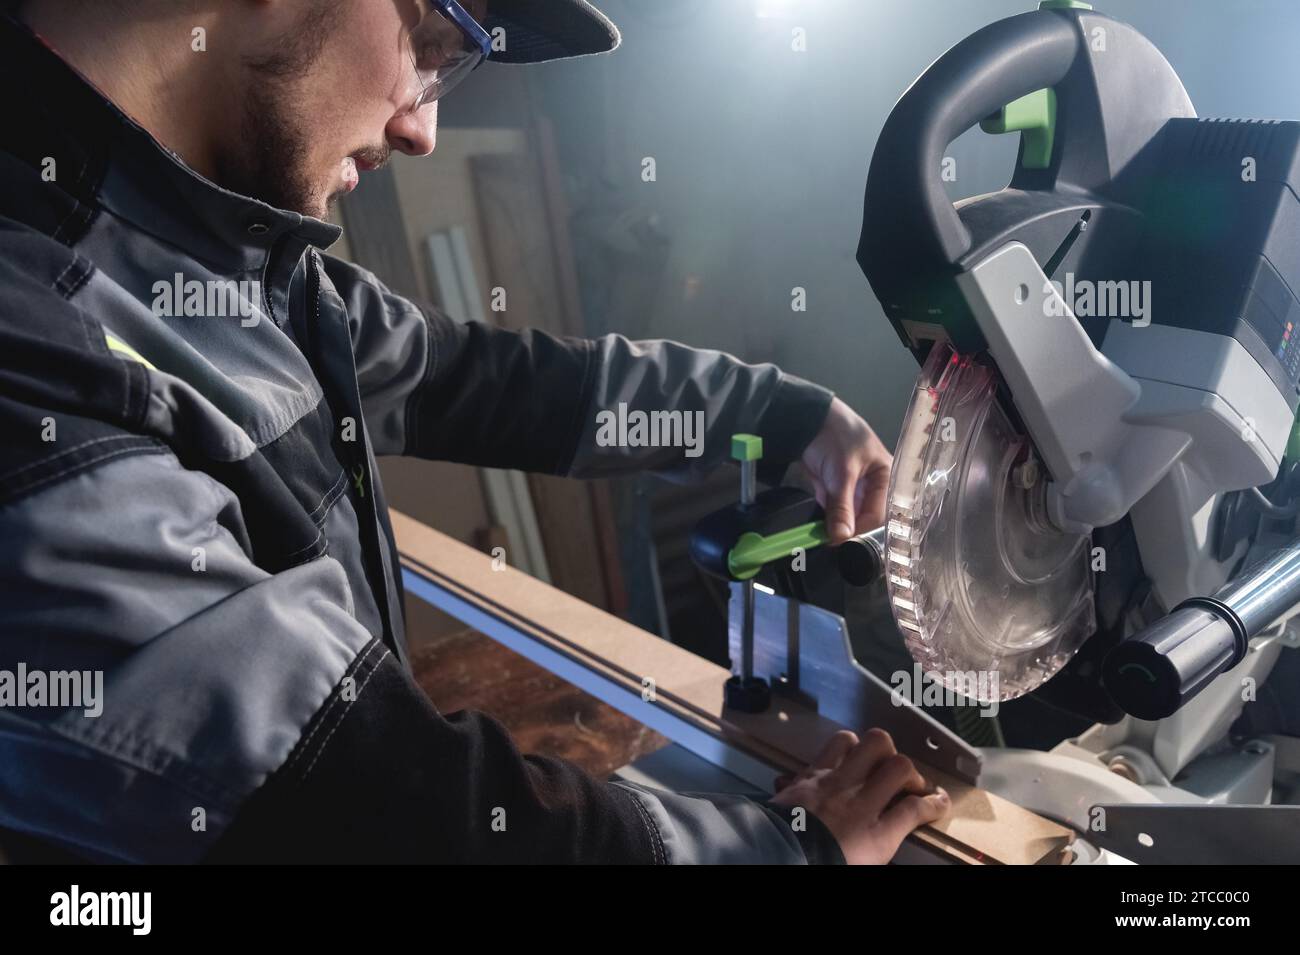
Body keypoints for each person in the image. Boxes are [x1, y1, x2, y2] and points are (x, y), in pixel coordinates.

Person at [0, 0, 948, 864]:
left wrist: (776, 414)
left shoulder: (223, 256)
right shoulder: (32, 337)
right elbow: (371, 809)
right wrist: (795, 850)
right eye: (431, 43)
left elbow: (488, 383)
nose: (421, 126)